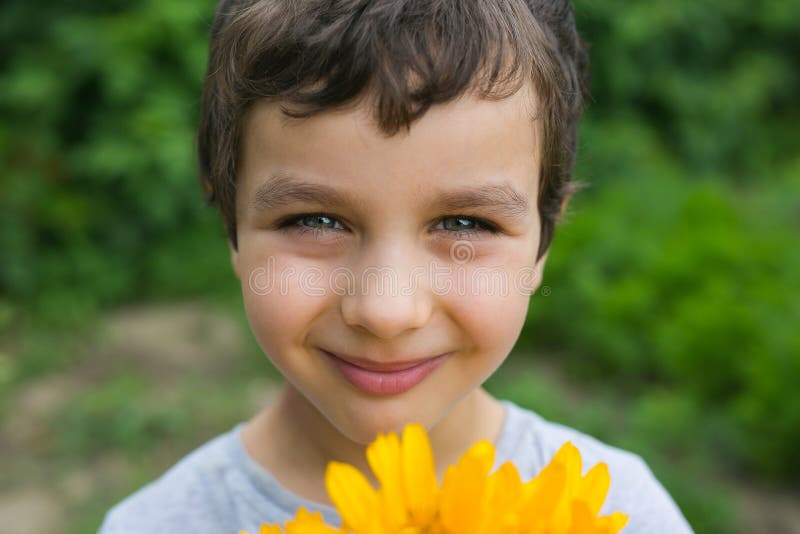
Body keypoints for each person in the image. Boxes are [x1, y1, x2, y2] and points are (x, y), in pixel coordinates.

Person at [99, 0, 693, 532]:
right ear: (230, 220)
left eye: (465, 224)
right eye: (316, 221)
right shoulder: (154, 523)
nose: (386, 312)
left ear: (545, 238)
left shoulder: (617, 512)